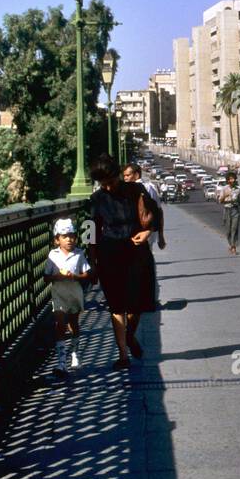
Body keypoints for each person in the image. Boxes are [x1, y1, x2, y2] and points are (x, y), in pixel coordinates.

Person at [89, 154, 159, 370]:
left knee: (136, 305)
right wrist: (91, 259)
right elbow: (90, 229)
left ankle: (129, 336)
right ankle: (122, 355)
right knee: (117, 306)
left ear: (118, 175)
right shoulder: (97, 199)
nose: (108, 188)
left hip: (137, 251)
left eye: (110, 182)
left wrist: (148, 232)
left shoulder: (136, 190)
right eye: (103, 185)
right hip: (110, 254)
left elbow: (154, 214)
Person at [44, 218, 92, 377]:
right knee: (60, 324)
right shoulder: (53, 255)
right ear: (57, 239)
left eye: (72, 236)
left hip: (74, 294)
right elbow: (46, 277)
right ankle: (61, 363)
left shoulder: (79, 254)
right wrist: (57, 276)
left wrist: (75, 276)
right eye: (65, 236)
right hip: (59, 295)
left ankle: (75, 353)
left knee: (73, 324)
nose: (69, 239)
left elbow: (87, 274)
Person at [218, 170, 240, 254]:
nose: (232, 180)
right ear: (228, 180)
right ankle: (231, 244)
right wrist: (226, 195)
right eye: (230, 179)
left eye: (233, 179)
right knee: (228, 231)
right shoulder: (224, 189)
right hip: (227, 210)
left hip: (235, 210)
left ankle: (234, 246)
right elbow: (220, 201)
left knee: (234, 229)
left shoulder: (238, 189)